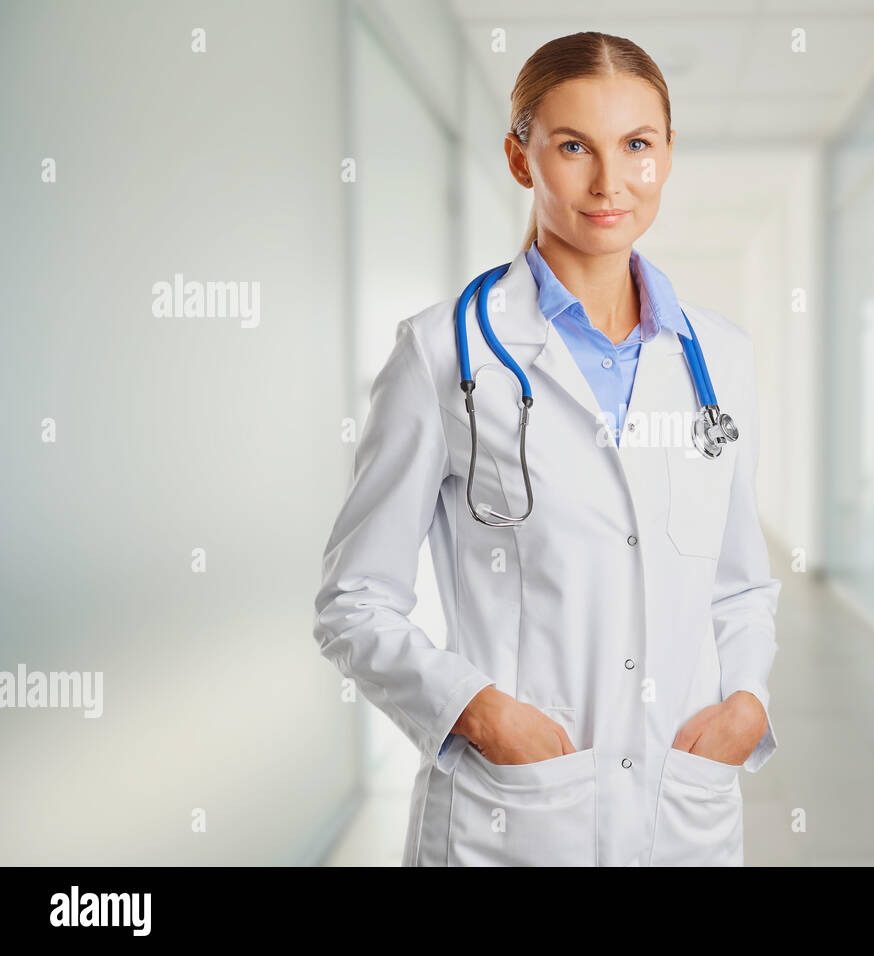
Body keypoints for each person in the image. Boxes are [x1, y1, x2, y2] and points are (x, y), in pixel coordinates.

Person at [313, 31, 780, 866]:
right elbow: (353, 602)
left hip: (683, 806)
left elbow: (740, 583)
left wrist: (746, 703)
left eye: (637, 145)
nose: (610, 182)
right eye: (573, 147)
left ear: (667, 155)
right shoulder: (442, 356)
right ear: (520, 157)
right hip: (514, 815)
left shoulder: (722, 360)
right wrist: (478, 712)